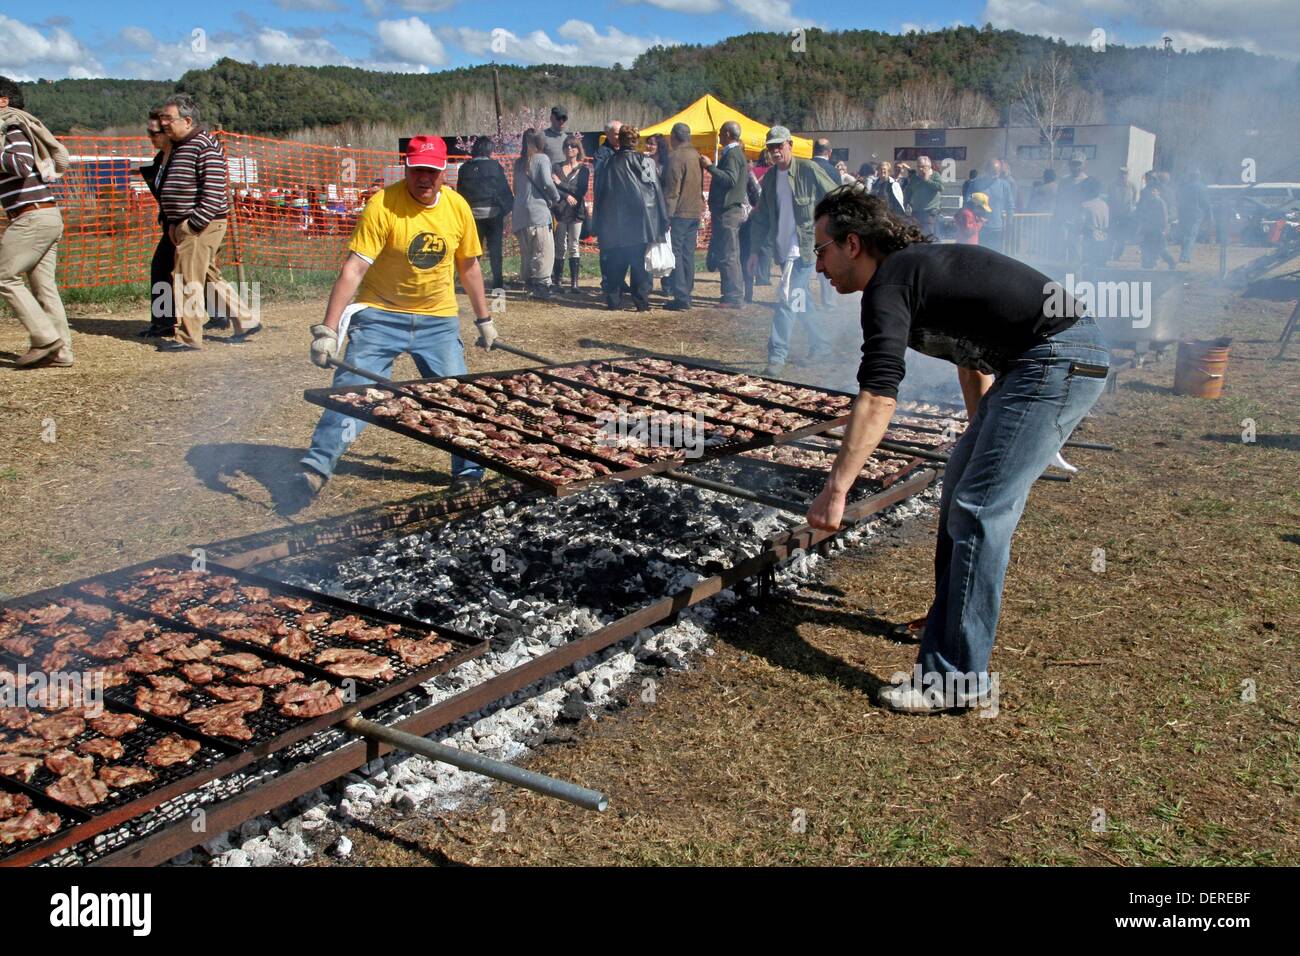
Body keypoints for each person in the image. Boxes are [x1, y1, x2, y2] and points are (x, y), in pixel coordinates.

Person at [806, 184, 1110, 713]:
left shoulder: (891, 282)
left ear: (852, 243)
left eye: (822, 251)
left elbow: (878, 394)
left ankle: (955, 681)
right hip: (1038, 363)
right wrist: (981, 434)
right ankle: (950, 620)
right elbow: (971, 356)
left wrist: (836, 490)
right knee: (961, 489)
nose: (818, 266)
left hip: (1056, 358)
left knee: (978, 510)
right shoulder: (915, 273)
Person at [297, 135, 492, 503]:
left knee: (457, 397)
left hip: (438, 320)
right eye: (417, 169)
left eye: (432, 171)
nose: (424, 178)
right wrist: (327, 329)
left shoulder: (457, 207)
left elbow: (469, 266)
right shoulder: (383, 204)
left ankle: (468, 471)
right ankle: (317, 466)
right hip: (380, 316)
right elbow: (354, 269)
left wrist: (485, 319)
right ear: (406, 167)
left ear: (444, 172)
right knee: (353, 391)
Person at [157, 93, 259, 351]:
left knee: (186, 279)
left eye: (168, 118)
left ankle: (189, 338)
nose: (163, 124)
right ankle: (245, 320)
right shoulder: (180, 146)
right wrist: (173, 223)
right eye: (162, 118)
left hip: (201, 225)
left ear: (187, 120)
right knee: (209, 276)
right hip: (186, 225)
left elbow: (214, 192)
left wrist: (192, 225)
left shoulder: (204, 145)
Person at [748, 125, 838, 376]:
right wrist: (755, 251)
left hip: (804, 248)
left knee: (787, 299)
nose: (775, 151)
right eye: (771, 147)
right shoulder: (771, 178)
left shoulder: (808, 170)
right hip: (782, 248)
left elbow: (836, 196)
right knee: (801, 300)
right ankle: (821, 345)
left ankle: (776, 356)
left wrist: (831, 230)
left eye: (779, 146)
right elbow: (762, 217)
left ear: (790, 144)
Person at [0, 75, 72, 368]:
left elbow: (19, 163)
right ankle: (62, 352)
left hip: (31, 217)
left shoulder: (12, 126)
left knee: (4, 277)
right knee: (44, 287)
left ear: (3, 102)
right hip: (44, 215)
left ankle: (45, 338)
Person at [592, 125, 668, 312]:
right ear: (636, 141)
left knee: (615, 261)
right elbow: (657, 192)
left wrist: (597, 221)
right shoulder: (646, 162)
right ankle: (641, 302)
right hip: (642, 220)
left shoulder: (608, 163)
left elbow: (599, 192)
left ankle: (613, 300)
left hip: (614, 220)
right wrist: (664, 219)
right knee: (639, 263)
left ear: (621, 141)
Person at [135, 108, 178, 339]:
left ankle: (164, 324)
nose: (151, 138)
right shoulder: (160, 159)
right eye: (148, 133)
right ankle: (163, 322)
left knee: (165, 267)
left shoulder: (181, 156)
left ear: (168, 133)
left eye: (154, 133)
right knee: (167, 268)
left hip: (187, 223)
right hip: (171, 223)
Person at [455, 135, 513, 293]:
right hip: (494, 213)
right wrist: (506, 208)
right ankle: (497, 284)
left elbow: (460, 193)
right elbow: (504, 190)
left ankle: (467, 282)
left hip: (473, 215)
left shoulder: (465, 168)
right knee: (495, 251)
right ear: (489, 150)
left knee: (473, 251)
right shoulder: (495, 166)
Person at [701, 119, 747, 309]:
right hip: (728, 211)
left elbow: (730, 179)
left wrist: (710, 167)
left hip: (728, 211)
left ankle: (733, 296)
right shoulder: (735, 153)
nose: (719, 135)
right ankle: (730, 294)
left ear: (728, 134)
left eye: (721, 132)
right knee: (728, 253)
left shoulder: (733, 154)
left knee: (729, 254)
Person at [512, 128, 560, 299]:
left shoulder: (518, 163)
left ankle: (529, 283)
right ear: (540, 142)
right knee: (543, 250)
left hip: (519, 214)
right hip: (538, 213)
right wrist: (556, 197)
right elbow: (547, 182)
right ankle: (542, 287)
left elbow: (515, 188)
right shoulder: (542, 158)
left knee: (527, 252)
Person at [662, 122, 703, 311]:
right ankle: (687, 290)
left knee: (676, 253)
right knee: (688, 254)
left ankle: (681, 296)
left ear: (674, 136)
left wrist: (667, 215)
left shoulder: (675, 157)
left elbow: (672, 189)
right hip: (694, 210)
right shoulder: (696, 155)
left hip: (679, 212)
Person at [550, 133, 589, 294]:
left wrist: (561, 184)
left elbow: (581, 190)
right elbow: (553, 188)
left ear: (578, 149)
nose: (569, 149)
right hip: (559, 211)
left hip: (576, 212)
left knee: (574, 245)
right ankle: (557, 281)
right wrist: (566, 194)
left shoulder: (583, 170)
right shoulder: (556, 167)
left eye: (573, 146)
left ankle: (574, 284)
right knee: (560, 246)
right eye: (567, 146)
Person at [593, 120, 622, 296]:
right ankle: (607, 279)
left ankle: (619, 280)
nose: (619, 137)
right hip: (606, 208)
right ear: (609, 134)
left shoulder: (625, 151)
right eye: (617, 133)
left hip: (623, 209)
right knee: (606, 247)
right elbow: (600, 174)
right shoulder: (601, 153)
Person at [1053, 155, 1094, 260]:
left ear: (1084, 165)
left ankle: (1071, 277)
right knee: (1060, 252)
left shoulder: (1087, 181)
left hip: (1079, 222)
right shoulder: (1064, 180)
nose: (1075, 167)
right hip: (1064, 220)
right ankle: (1060, 276)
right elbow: (1058, 200)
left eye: (1078, 164)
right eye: (1073, 164)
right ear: (1069, 165)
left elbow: (1089, 203)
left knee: (1075, 254)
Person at [971, 158, 1015, 253]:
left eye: (997, 172)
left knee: (995, 255)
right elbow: (968, 203)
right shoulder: (976, 184)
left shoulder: (1005, 185)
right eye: (992, 172)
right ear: (986, 170)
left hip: (997, 228)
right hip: (979, 228)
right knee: (980, 256)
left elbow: (1010, 207)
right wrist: (974, 218)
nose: (994, 175)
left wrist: (1009, 224)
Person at [1137, 173, 1176, 270]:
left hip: (1158, 229)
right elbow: (1143, 213)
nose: (1152, 192)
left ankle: (1171, 262)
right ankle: (1147, 264)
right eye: (1151, 191)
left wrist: (1163, 229)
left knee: (1160, 248)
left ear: (1158, 192)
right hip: (1148, 228)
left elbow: (1164, 217)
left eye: (1154, 191)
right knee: (1146, 247)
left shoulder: (1160, 202)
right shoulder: (1148, 201)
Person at [1176, 168, 1211, 264]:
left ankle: (1184, 254)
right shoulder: (1200, 187)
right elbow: (1205, 202)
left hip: (1183, 214)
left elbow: (1178, 199)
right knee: (1190, 235)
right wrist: (1209, 215)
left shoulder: (1184, 187)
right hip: (1195, 214)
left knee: (1185, 235)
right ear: (1198, 176)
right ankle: (1184, 256)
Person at [904, 154, 944, 237]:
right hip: (916, 212)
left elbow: (940, 188)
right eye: (918, 167)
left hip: (930, 212)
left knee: (929, 236)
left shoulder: (935, 175)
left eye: (922, 167)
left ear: (929, 166)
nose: (920, 169)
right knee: (916, 235)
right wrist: (905, 204)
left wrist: (927, 180)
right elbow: (909, 191)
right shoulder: (914, 178)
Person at [1106, 167, 1137, 261]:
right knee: (1111, 236)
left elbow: (1134, 200)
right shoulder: (1112, 185)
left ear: (1128, 175)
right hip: (1114, 215)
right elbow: (1109, 200)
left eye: (1125, 174)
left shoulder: (1132, 186)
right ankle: (1108, 254)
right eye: (1121, 173)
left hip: (1126, 216)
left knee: (1122, 238)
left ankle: (1117, 255)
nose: (1123, 175)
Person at [1078, 178, 1110, 265]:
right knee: (1100, 268)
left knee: (1087, 269)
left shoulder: (1084, 206)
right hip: (1103, 238)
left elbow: (1081, 224)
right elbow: (1106, 224)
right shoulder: (1104, 204)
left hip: (1090, 240)